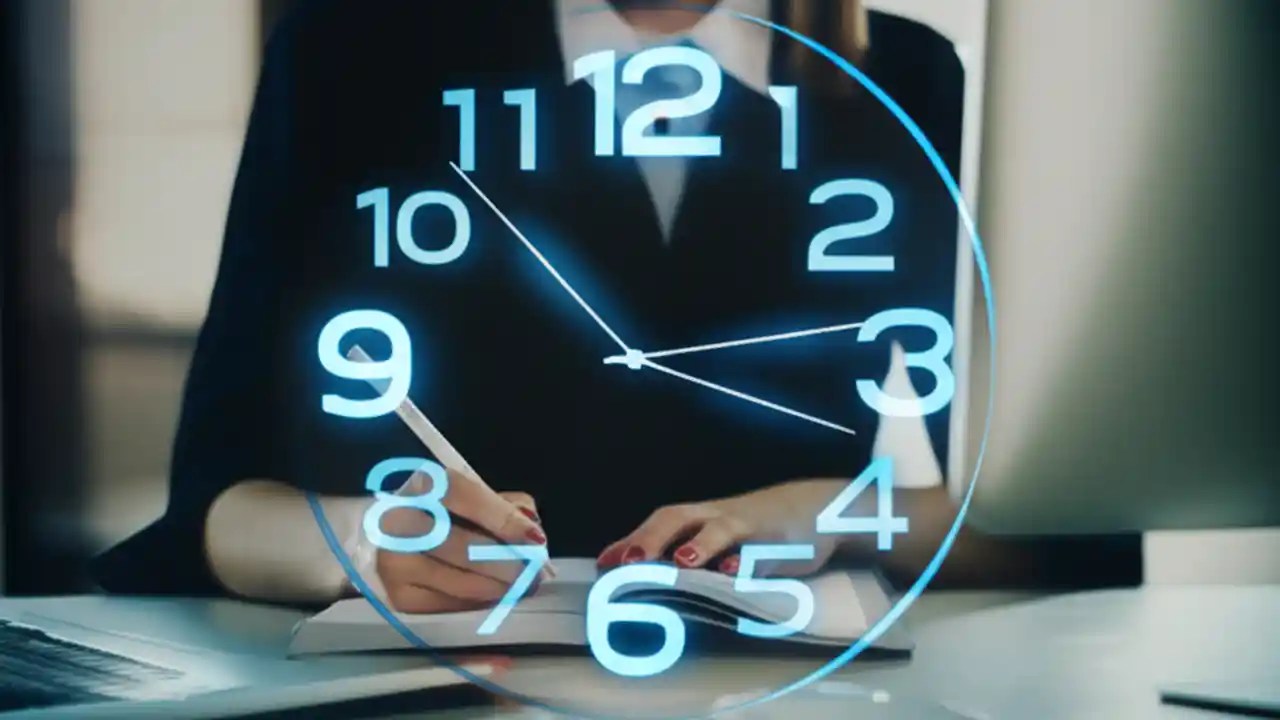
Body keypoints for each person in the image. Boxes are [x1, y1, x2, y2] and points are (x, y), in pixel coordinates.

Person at [93, 0, 1061, 612]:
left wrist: (828, 514)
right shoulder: (354, 49)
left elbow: (1039, 526)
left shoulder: (906, 76)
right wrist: (360, 544)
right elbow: (213, 508)